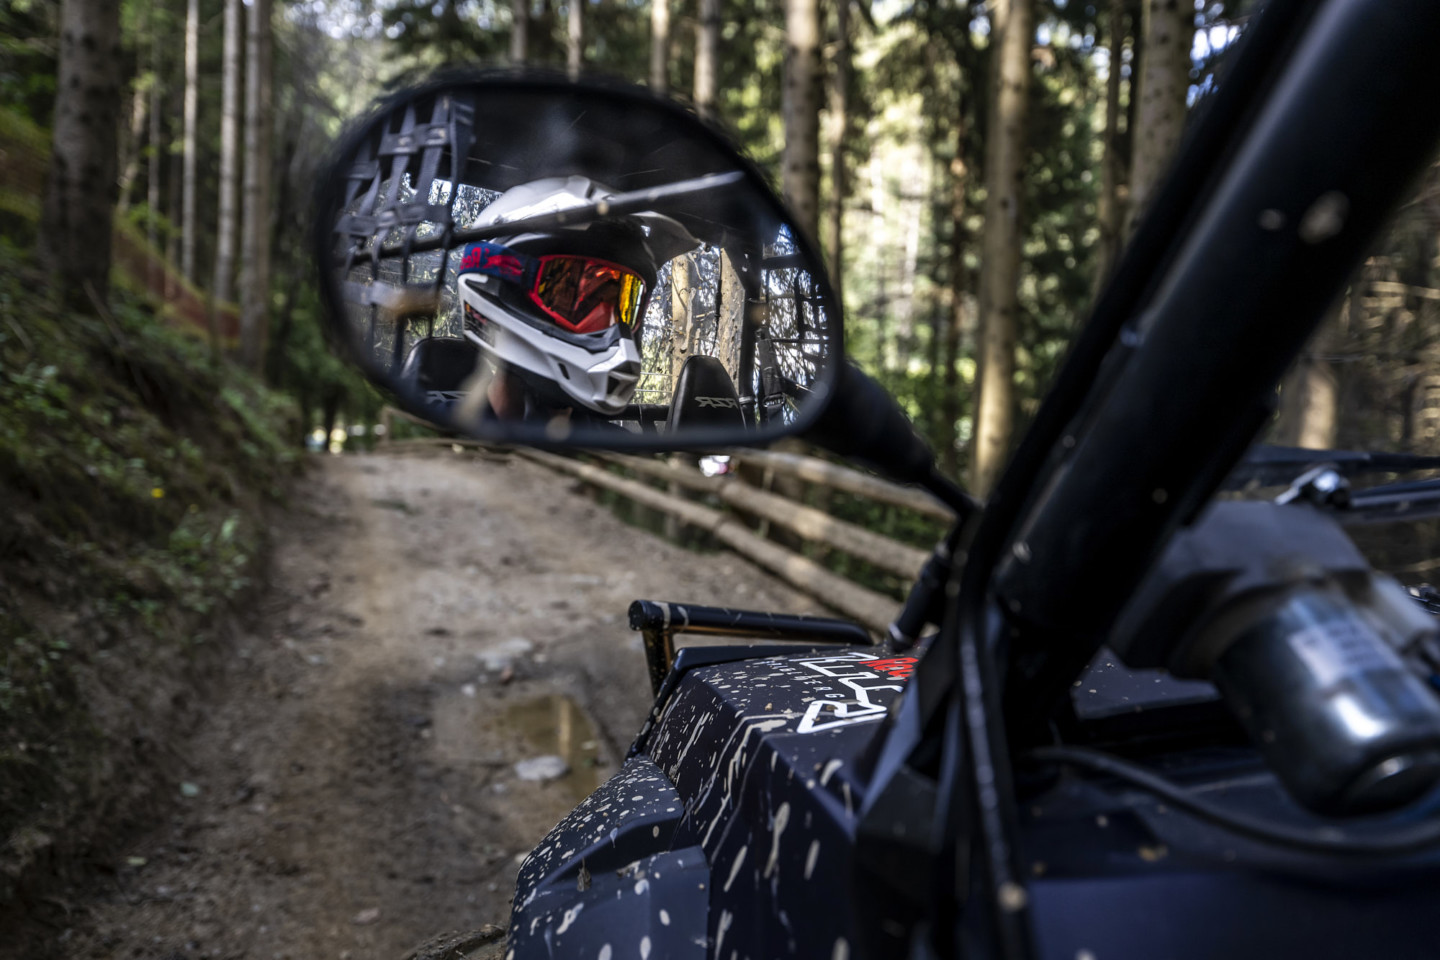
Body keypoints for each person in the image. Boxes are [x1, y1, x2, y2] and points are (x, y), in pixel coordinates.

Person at [453, 176, 699, 423]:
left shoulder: (612, 449)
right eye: (573, 293)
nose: (614, 330)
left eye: (623, 305)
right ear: (504, 290)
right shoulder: (438, 432)